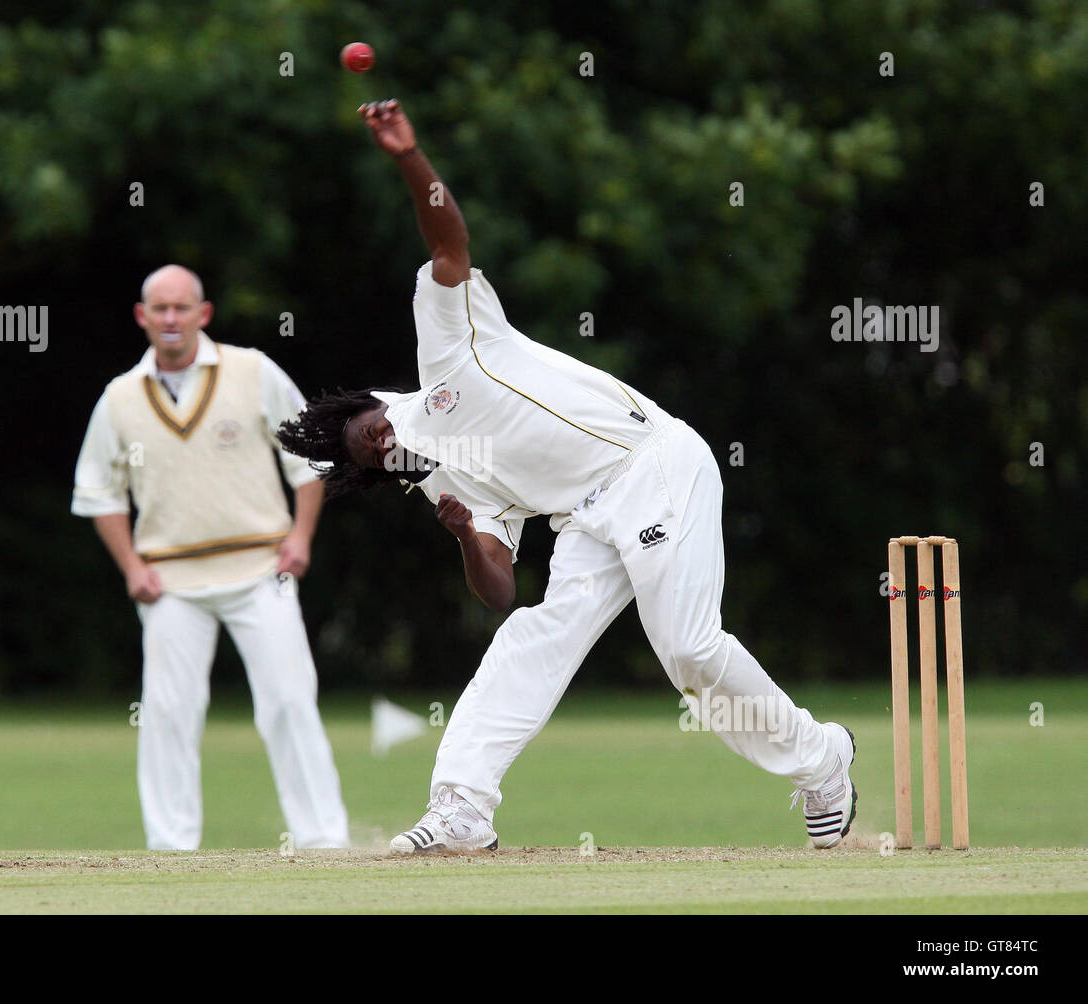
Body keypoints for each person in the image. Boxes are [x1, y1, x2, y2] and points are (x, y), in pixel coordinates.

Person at [277, 100, 856, 854]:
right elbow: (499, 588)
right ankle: (463, 808)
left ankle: (822, 761)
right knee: (532, 635)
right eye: (374, 459)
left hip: (651, 464)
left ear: (374, 404)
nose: (385, 447)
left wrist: (407, 158)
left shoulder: (445, 353)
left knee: (685, 648)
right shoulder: (440, 486)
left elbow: (448, 241)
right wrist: (464, 538)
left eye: (375, 432)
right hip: (585, 517)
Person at [72, 264, 350, 851]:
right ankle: (172, 848)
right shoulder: (119, 397)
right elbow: (97, 492)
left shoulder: (251, 371)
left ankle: (323, 840)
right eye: (160, 308)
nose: (171, 319)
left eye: (182, 308)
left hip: (260, 569)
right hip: (169, 580)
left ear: (204, 314)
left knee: (288, 703)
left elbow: (310, 457)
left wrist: (300, 538)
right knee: (168, 716)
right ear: (142, 317)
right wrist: (132, 568)